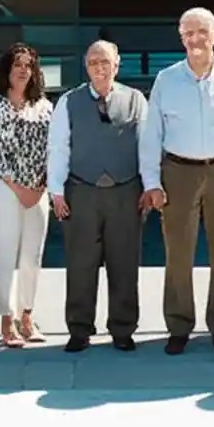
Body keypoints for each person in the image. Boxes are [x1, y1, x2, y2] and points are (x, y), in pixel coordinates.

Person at [139, 7, 214, 355]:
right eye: (188, 34)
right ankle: (179, 325)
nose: (195, 40)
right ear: (181, 38)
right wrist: (152, 182)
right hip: (178, 172)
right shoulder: (166, 79)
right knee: (178, 254)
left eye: (201, 32)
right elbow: (152, 135)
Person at [48, 40, 148, 353]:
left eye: (105, 62)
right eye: (93, 62)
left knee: (124, 263)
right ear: (86, 66)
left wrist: (150, 186)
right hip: (81, 190)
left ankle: (122, 329)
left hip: (125, 190)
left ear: (117, 65)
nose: (99, 68)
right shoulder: (68, 101)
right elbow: (59, 147)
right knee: (80, 263)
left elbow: (146, 148)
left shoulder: (136, 100)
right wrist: (56, 190)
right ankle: (79, 329)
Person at [0, 43, 54, 348]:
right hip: (3, 187)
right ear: (7, 71)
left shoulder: (45, 107)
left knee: (32, 256)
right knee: (5, 253)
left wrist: (38, 186)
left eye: (29, 65)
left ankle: (27, 316)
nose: (24, 70)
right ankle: (6, 319)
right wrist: (17, 187)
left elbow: (54, 150)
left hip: (38, 189)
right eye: (18, 65)